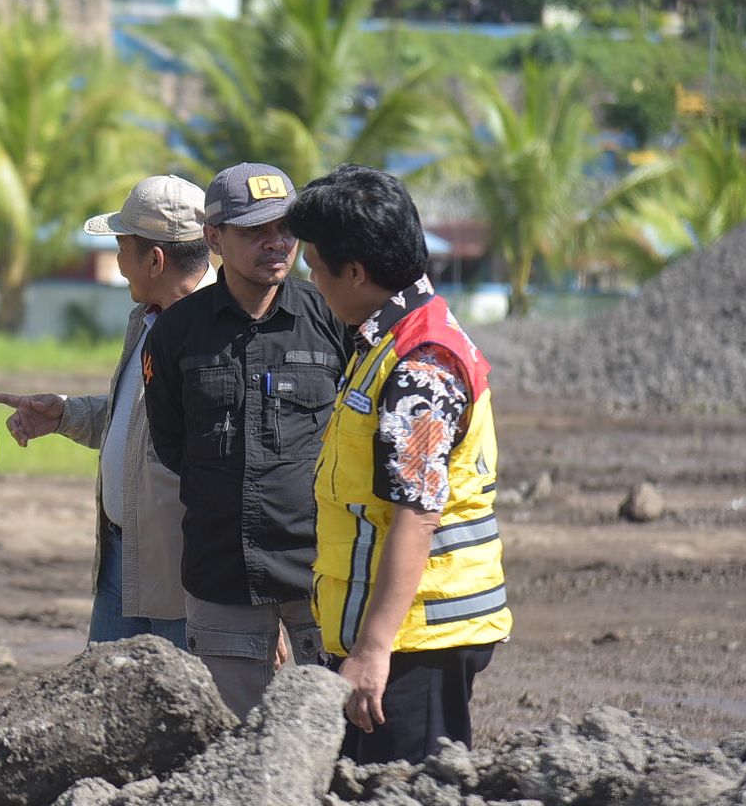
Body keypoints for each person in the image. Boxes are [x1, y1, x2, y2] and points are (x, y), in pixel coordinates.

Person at [286, 164, 511, 764]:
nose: (310, 279)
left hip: (417, 643)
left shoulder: (421, 363)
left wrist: (374, 649)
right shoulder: (385, 338)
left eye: (315, 265)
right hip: (396, 635)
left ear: (355, 272)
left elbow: (416, 512)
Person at [142, 162, 351, 718]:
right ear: (214, 238)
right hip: (222, 571)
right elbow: (171, 444)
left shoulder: (331, 316)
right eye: (255, 231)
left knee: (336, 735)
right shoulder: (176, 332)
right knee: (234, 743)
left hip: (320, 569)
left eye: (285, 228)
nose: (276, 243)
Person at [0, 175, 208, 648]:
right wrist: (66, 414)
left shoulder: (216, 338)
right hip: (120, 555)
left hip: (182, 577)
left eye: (121, 247)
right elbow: (145, 422)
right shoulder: (148, 318)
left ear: (155, 259)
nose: (117, 262)